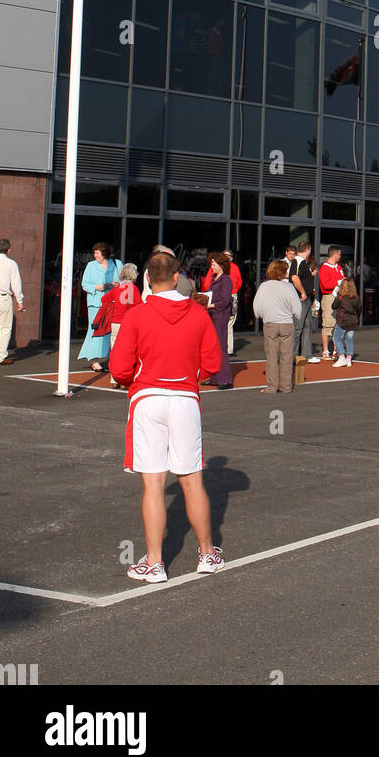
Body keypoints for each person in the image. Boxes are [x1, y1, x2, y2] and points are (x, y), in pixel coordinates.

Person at [109, 249, 224, 583]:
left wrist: (138, 380)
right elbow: (214, 366)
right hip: (184, 398)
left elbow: (119, 369)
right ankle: (206, 554)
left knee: (154, 483)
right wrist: (190, 375)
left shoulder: (137, 315)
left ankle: (155, 562)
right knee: (191, 480)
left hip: (148, 397)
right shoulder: (198, 314)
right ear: (177, 277)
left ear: (147, 278)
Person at [254, 259, 299, 393]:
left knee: (272, 356)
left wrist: (264, 316)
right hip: (286, 324)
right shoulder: (289, 287)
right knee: (287, 356)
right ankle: (286, 386)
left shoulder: (264, 286)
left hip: (270, 324)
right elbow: (297, 309)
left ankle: (272, 386)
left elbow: (257, 308)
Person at [93, 263, 141, 386]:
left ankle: (114, 379)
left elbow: (104, 300)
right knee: (129, 352)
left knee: (115, 351)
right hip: (129, 324)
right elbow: (139, 305)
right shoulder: (134, 289)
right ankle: (125, 379)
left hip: (115, 323)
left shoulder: (117, 289)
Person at [79, 241, 123, 372]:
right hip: (95, 303)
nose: (95, 255)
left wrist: (117, 284)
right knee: (94, 329)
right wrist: (96, 287)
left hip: (112, 303)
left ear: (105, 253)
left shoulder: (117, 264)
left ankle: (112, 358)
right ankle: (93, 359)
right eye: (94, 253)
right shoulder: (91, 266)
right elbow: (84, 284)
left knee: (110, 331)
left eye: (97, 253)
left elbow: (123, 280)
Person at [204, 253, 233, 388]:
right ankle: (216, 378)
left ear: (221, 265)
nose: (212, 266)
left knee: (221, 347)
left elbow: (225, 300)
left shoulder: (226, 280)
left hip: (220, 315)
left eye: (214, 264)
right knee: (214, 347)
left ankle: (225, 379)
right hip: (213, 315)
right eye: (211, 264)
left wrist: (210, 305)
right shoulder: (214, 278)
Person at [0, 237, 23, 366]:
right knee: (5, 329)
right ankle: (1, 357)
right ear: (8, 250)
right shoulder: (11, 264)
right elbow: (16, 284)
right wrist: (20, 301)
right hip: (3, 298)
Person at [289, 241, 316, 363]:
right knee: (298, 328)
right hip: (301, 299)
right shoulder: (298, 261)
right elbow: (294, 277)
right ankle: (293, 355)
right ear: (308, 250)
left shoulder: (303, 262)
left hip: (306, 299)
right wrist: (303, 292)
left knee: (306, 327)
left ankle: (306, 355)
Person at [317, 246, 344, 361]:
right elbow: (325, 285)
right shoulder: (324, 268)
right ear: (335, 254)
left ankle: (335, 349)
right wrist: (337, 282)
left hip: (338, 297)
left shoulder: (338, 267)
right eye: (339, 254)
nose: (340, 256)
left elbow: (342, 279)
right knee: (327, 323)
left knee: (337, 324)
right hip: (329, 297)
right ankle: (325, 350)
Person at [332, 277, 361, 368]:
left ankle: (341, 357)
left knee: (337, 338)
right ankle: (349, 358)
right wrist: (357, 318)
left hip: (342, 321)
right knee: (349, 339)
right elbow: (359, 309)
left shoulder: (340, 297)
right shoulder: (356, 297)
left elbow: (333, 306)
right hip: (352, 321)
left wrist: (336, 295)